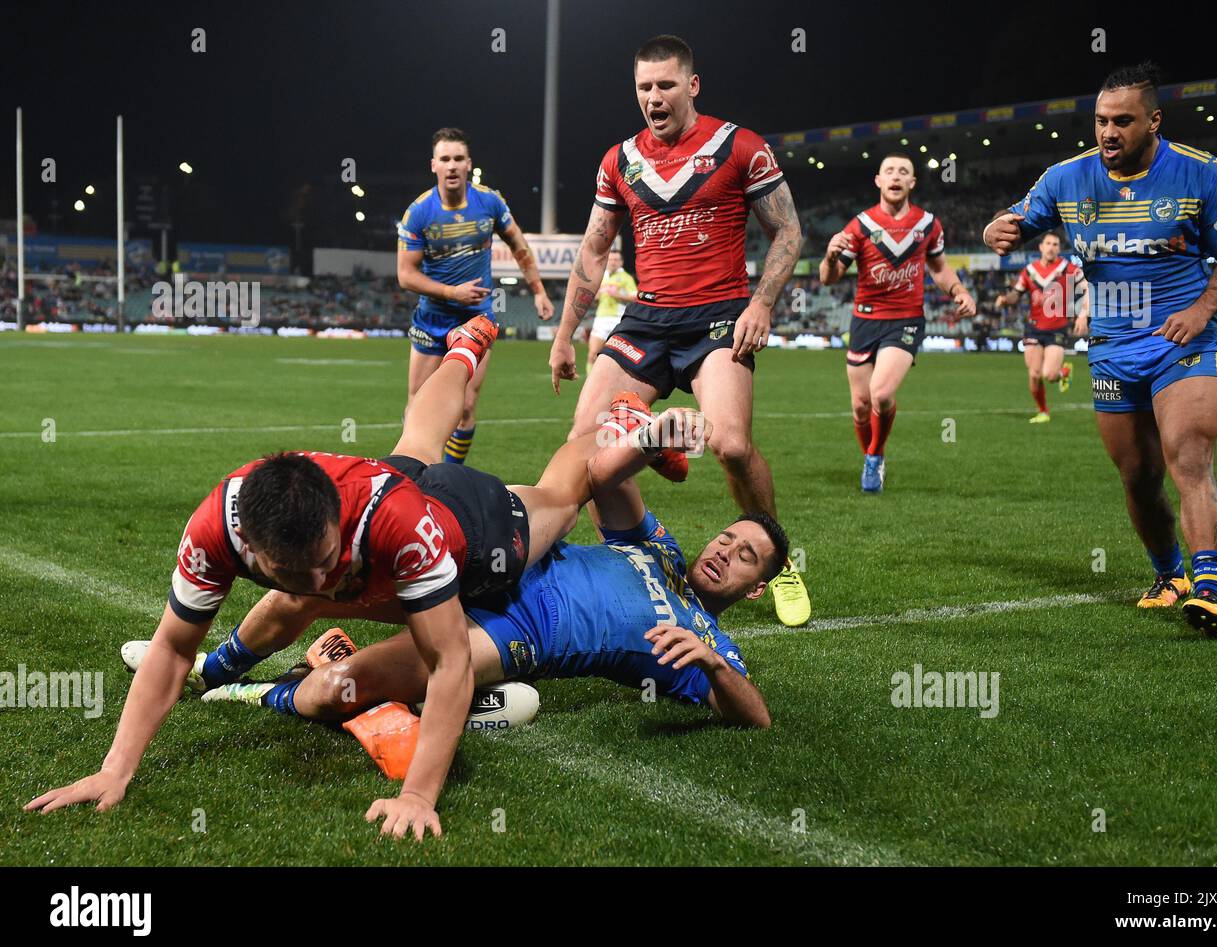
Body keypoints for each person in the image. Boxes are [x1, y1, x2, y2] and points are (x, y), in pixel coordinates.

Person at [26, 317, 701, 839]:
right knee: (412, 445)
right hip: (391, 486)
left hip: (477, 530)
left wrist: (417, 796)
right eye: (296, 569)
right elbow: (171, 646)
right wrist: (115, 769)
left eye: (327, 557)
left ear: (332, 511)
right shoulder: (215, 528)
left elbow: (449, 662)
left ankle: (623, 430)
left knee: (560, 493)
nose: (322, 576)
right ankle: (464, 349)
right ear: (250, 552)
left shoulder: (403, 533)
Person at [201, 433, 786, 799]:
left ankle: (253, 694)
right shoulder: (659, 547)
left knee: (336, 689)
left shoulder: (704, 641)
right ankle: (212, 670)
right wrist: (649, 437)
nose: (723, 553)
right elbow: (599, 465)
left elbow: (756, 718)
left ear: (756, 590)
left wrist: (711, 664)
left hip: (515, 634)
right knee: (305, 593)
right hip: (499, 564)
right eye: (728, 538)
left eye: (745, 558)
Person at [546, 34, 811, 627]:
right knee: (587, 437)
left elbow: (789, 232)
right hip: (646, 318)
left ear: (691, 86)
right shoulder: (620, 160)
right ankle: (629, 567)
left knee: (731, 446)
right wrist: (566, 335)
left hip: (718, 317)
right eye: (644, 87)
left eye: (665, 85)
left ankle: (779, 563)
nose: (654, 97)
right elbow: (593, 252)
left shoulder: (738, 146)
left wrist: (761, 304)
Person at [983, 62, 1217, 636]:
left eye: (1123, 121)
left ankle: (1210, 591)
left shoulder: (1202, 174)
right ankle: (1169, 575)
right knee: (1137, 475)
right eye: (1101, 121)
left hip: (1183, 341)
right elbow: (1017, 220)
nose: (1108, 132)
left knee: (1189, 459)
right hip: (1110, 345)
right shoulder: (1066, 177)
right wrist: (996, 229)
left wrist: (1202, 310)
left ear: (1154, 120)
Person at [819, 153, 977, 492]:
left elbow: (938, 268)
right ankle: (871, 458)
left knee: (881, 393)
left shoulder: (927, 225)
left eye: (903, 171)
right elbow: (829, 279)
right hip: (864, 321)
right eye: (889, 170)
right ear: (878, 180)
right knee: (860, 407)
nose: (895, 176)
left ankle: (875, 456)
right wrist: (830, 255)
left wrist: (959, 290)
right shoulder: (860, 225)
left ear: (912, 183)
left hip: (905, 320)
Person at [397, 127, 555, 464]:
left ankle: (446, 478)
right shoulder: (419, 212)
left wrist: (538, 291)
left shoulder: (490, 202)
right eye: (445, 159)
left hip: (477, 319)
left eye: (457, 158)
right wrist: (451, 292)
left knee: (466, 405)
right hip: (432, 318)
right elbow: (405, 275)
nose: (451, 166)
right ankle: (411, 474)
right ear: (433, 165)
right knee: (418, 402)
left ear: (469, 163)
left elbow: (519, 245)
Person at [994, 232, 1090, 423]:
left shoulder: (1068, 269)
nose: (1051, 247)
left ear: (1059, 249)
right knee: (1034, 374)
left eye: (1055, 244)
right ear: (1040, 247)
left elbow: (1089, 287)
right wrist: (1005, 300)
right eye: (1048, 243)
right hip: (1033, 328)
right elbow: (1016, 295)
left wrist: (1083, 314)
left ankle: (1063, 372)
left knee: (1049, 374)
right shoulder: (1029, 271)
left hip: (1057, 329)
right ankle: (1043, 411)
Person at [586, 248, 638, 373]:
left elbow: (636, 297)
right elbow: (594, 301)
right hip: (601, 319)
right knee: (593, 354)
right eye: (611, 259)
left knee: (620, 359)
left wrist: (618, 295)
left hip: (619, 320)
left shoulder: (627, 278)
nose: (613, 262)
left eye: (616, 260)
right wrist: (596, 298)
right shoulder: (601, 277)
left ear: (621, 262)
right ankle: (591, 387)